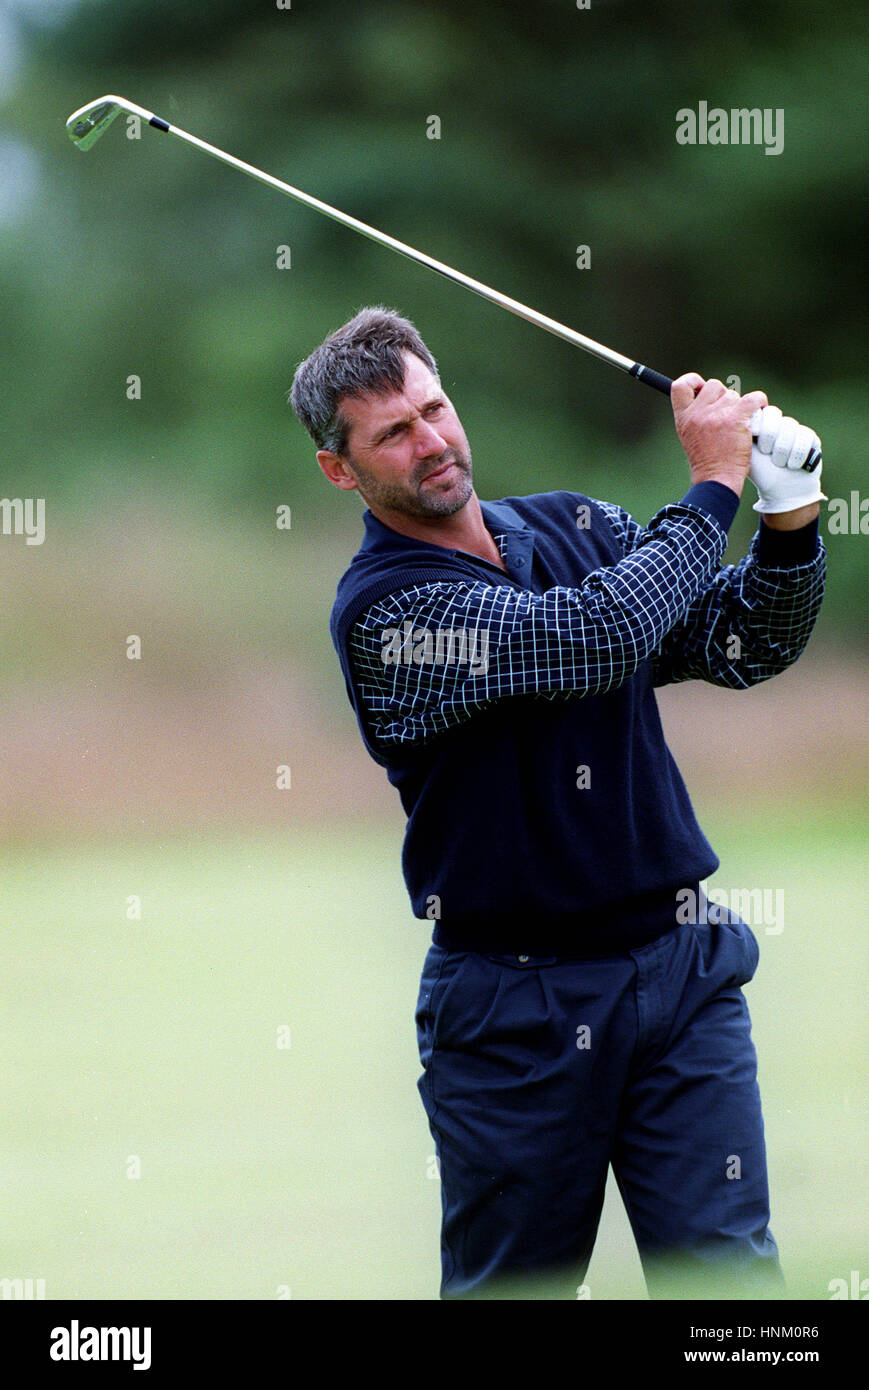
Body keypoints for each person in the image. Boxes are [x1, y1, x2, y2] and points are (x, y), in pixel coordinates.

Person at [290, 306, 826, 1300]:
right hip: (513, 1011)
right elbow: (586, 639)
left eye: (433, 407)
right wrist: (712, 485)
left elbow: (739, 643)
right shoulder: (388, 612)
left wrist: (788, 520)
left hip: (680, 975)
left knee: (732, 1293)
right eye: (393, 433)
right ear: (341, 469)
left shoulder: (572, 525)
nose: (432, 440)